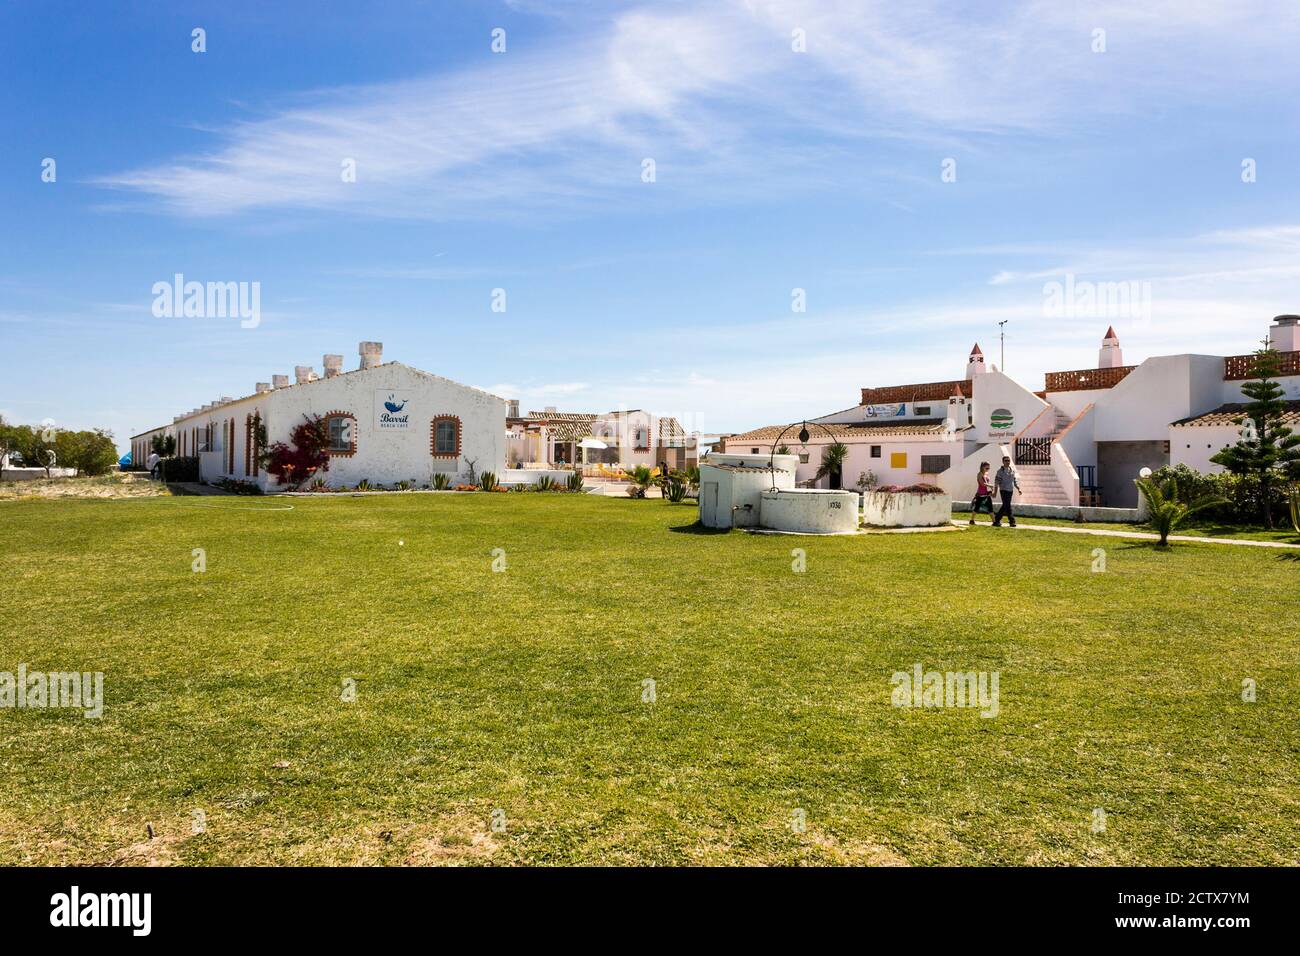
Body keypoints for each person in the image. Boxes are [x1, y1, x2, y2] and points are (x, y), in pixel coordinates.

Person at [992, 455, 1020, 527]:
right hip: (1003, 490)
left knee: (1005, 506)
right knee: (1007, 506)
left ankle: (996, 520)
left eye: (1008, 460)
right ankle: (1012, 521)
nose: (1007, 462)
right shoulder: (1000, 471)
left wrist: (1018, 488)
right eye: (1006, 461)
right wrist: (995, 492)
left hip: (1010, 490)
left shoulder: (1012, 471)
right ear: (1003, 462)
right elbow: (996, 482)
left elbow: (1014, 480)